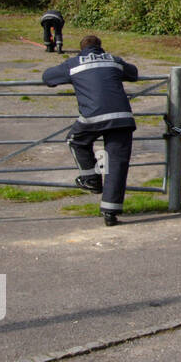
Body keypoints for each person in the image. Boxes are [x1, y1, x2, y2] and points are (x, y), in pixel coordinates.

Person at [42, 35, 138, 227]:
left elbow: (47, 78)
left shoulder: (74, 63)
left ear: (81, 49)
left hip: (93, 117)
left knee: (75, 140)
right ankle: (110, 213)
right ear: (100, 47)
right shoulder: (114, 60)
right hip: (122, 117)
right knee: (117, 164)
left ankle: (91, 178)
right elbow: (134, 73)